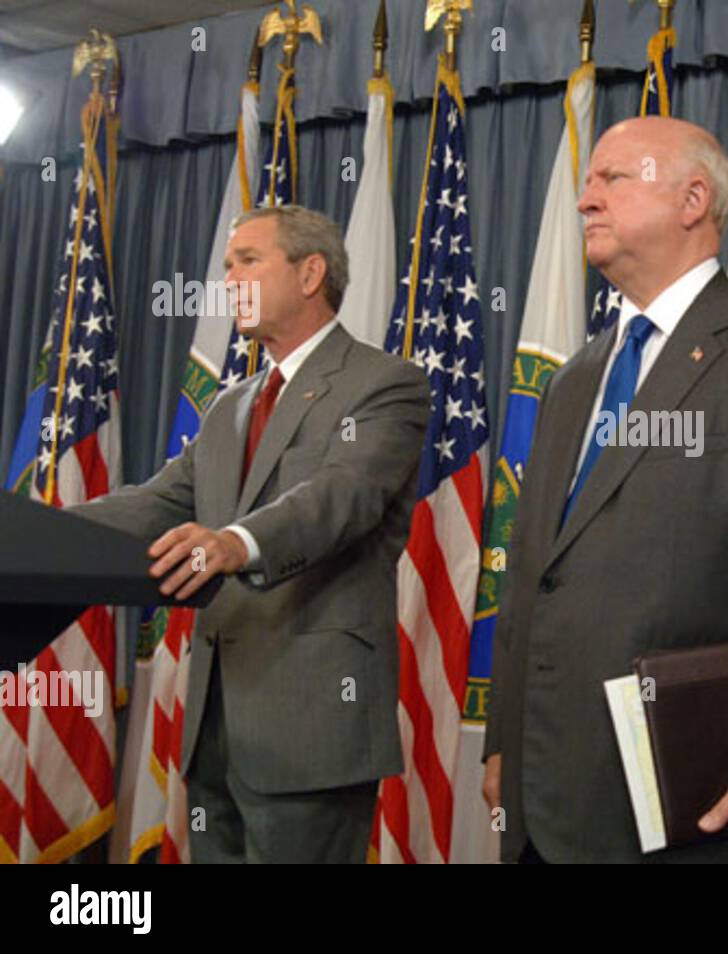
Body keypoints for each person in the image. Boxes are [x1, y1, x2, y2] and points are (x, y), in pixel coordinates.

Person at [481, 116, 728, 863]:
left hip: (701, 808)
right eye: (588, 182)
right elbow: (536, 573)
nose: (584, 199)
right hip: (545, 802)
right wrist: (506, 744)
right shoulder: (573, 382)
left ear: (693, 200)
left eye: (612, 179)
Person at [75, 205, 429, 862]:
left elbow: (341, 495)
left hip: (311, 729)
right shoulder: (230, 406)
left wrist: (236, 541)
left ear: (310, 272)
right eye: (226, 265)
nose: (228, 278)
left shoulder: (384, 384)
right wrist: (34, 531)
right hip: (216, 727)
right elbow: (158, 504)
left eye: (247, 261)